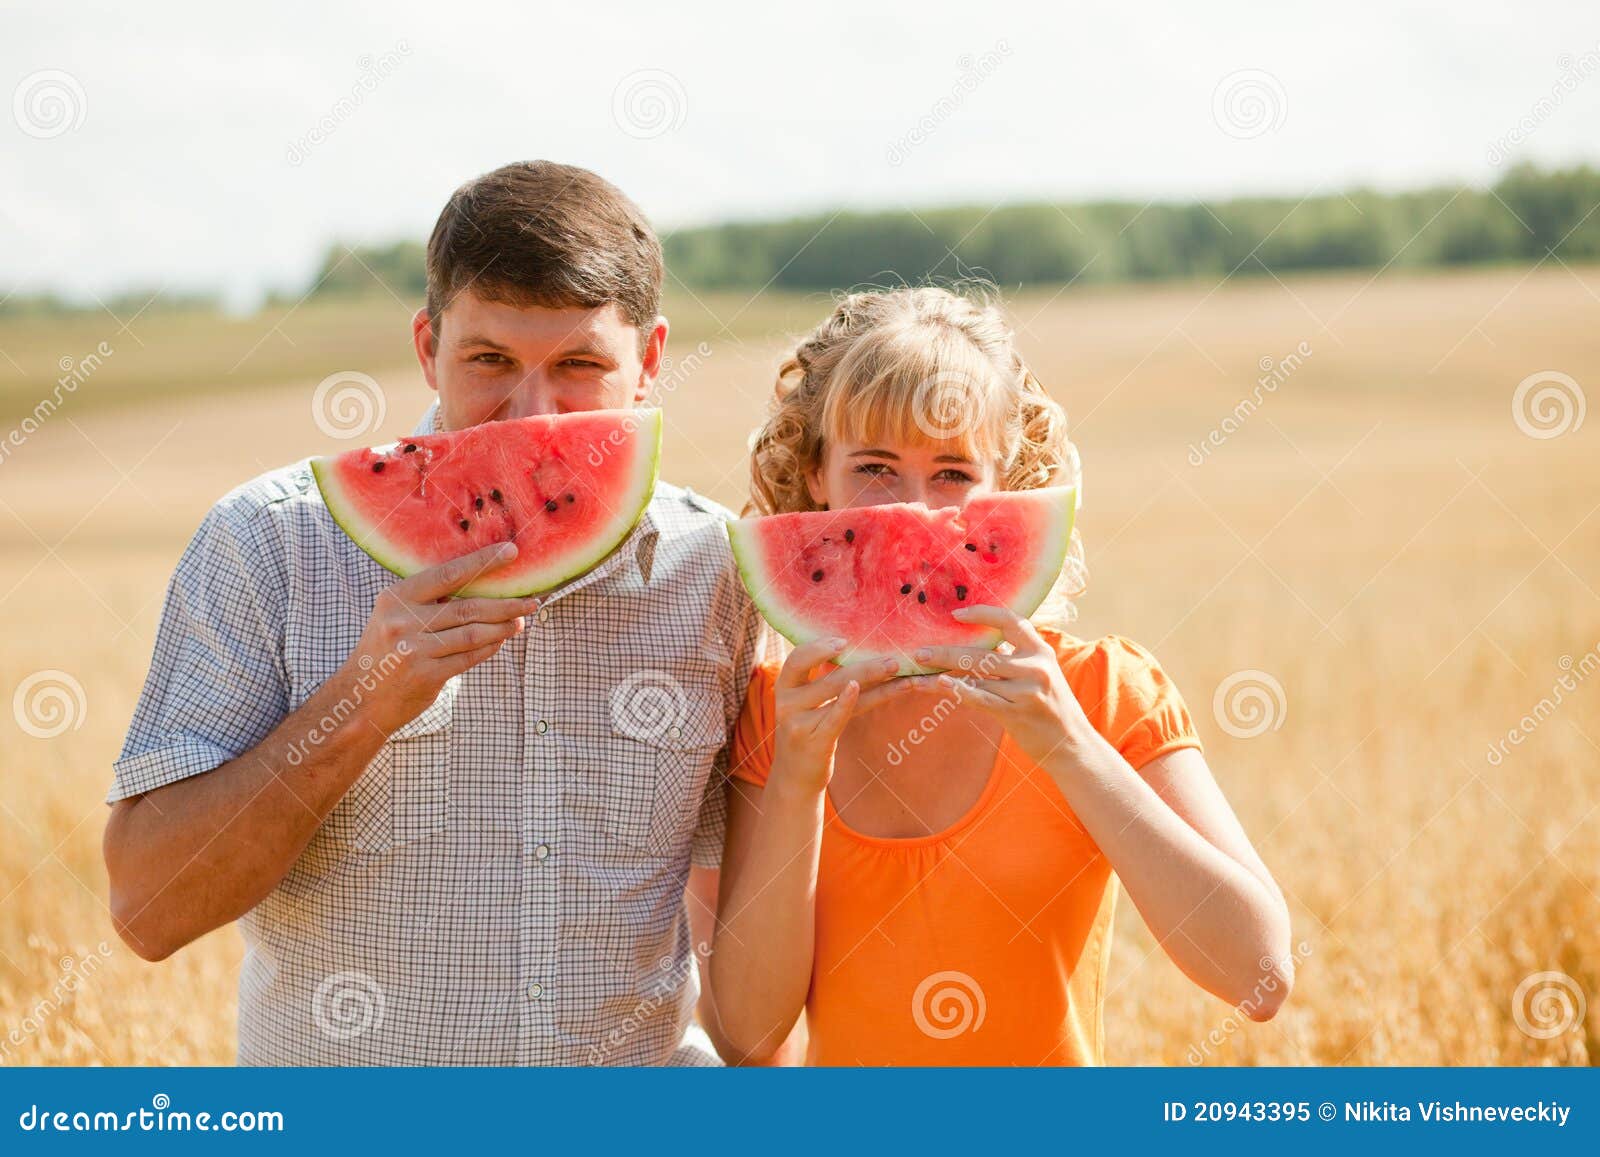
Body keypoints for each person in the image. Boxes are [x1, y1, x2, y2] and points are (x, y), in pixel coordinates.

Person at [104, 160, 766, 1065]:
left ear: (648, 362)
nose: (532, 416)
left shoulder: (718, 570)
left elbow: (757, 934)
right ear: (427, 346)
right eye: (490, 360)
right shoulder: (271, 543)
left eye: (578, 365)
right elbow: (148, 908)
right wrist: (362, 701)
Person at [706, 286, 1293, 1065]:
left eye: (953, 472)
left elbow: (1260, 977)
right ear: (816, 473)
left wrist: (1072, 749)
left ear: (1008, 485)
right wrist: (797, 780)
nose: (914, 512)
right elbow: (747, 1036)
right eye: (876, 468)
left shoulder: (1099, 691)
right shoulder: (777, 716)